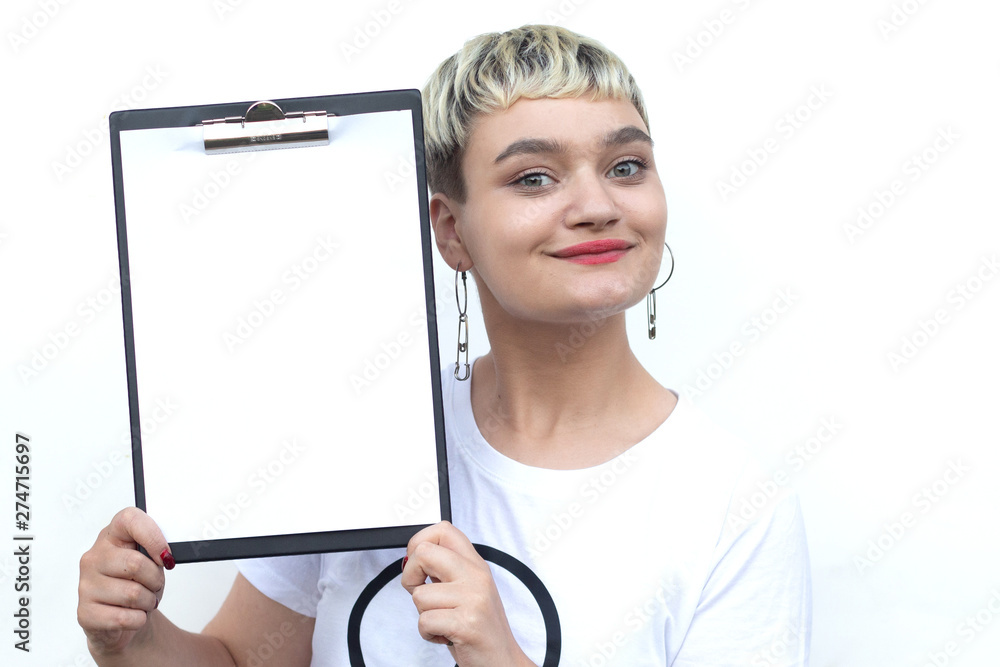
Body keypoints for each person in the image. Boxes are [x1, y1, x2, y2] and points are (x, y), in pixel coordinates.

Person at [78, 24, 811, 666]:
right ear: (451, 229)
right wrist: (132, 640)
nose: (597, 205)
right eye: (534, 177)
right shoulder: (355, 434)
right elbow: (242, 660)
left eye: (626, 165)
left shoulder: (730, 508)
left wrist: (498, 656)